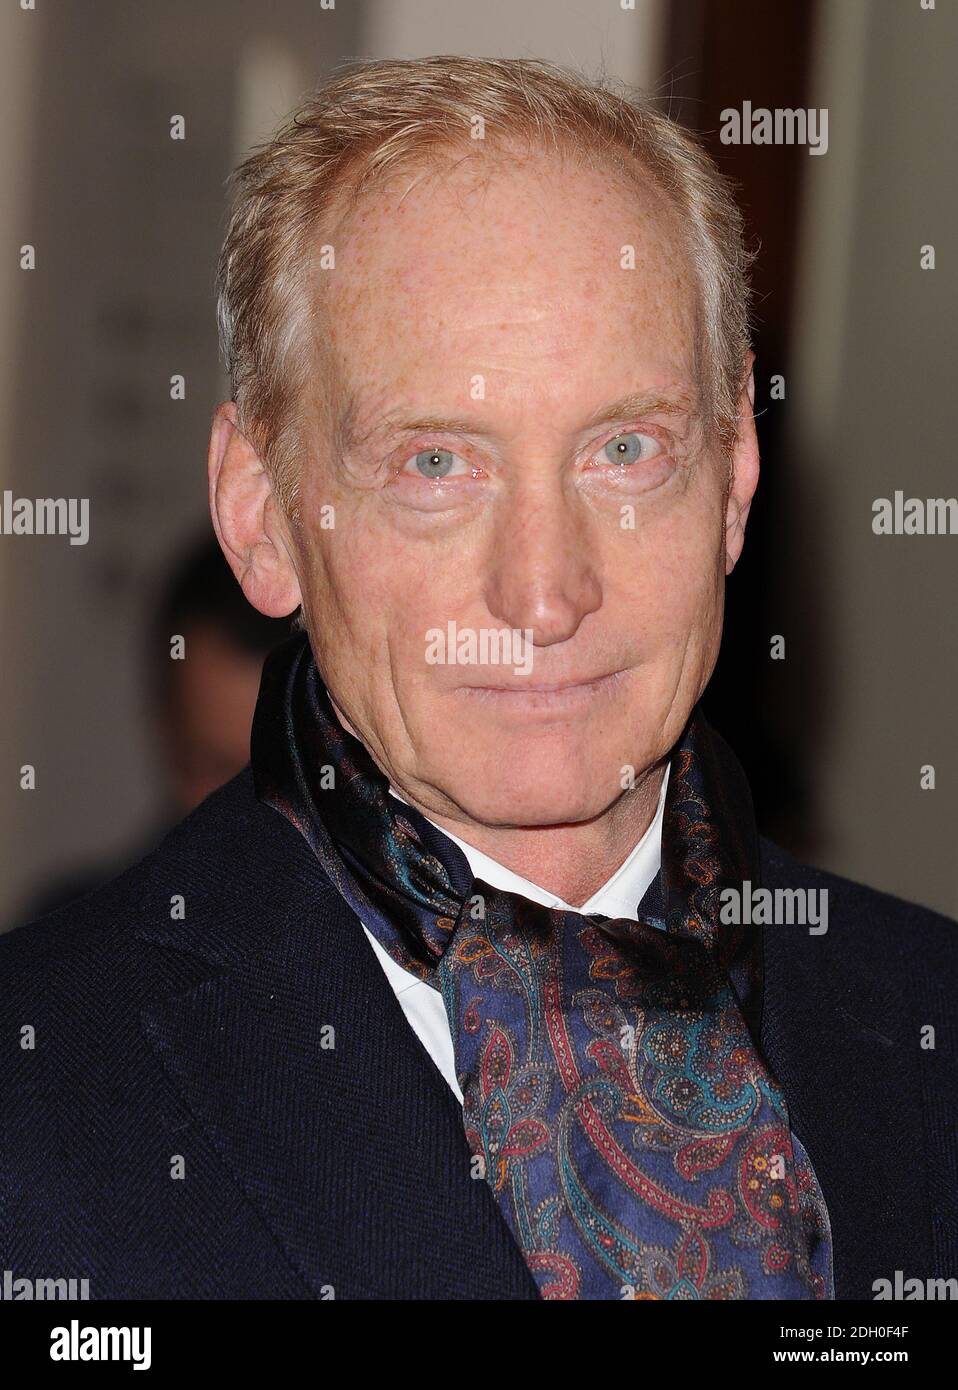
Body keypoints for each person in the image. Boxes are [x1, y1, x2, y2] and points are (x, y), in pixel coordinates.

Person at [1, 56, 954, 1302]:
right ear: (259, 512)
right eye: (437, 463)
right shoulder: (35, 1103)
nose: (545, 594)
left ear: (731, 479)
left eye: (625, 450)